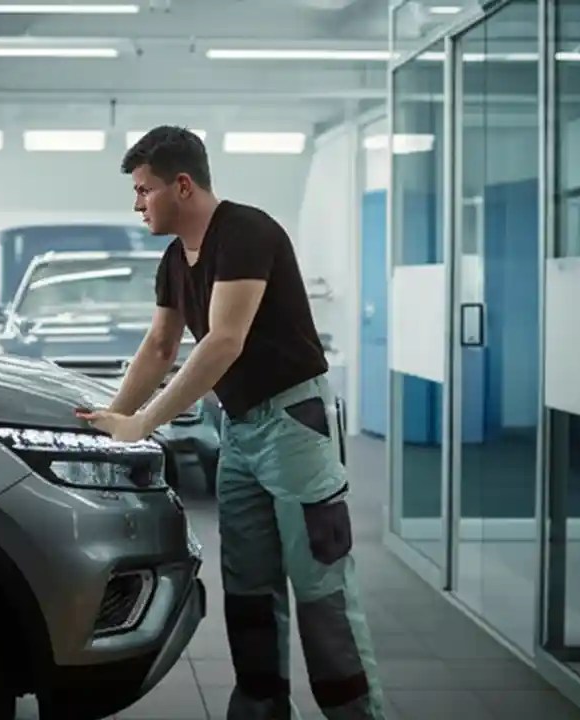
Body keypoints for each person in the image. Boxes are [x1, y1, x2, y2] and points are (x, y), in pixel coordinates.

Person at [76, 126, 388, 720]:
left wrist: (142, 423)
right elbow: (160, 345)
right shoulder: (174, 259)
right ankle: (261, 710)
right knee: (248, 586)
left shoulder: (246, 232)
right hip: (240, 430)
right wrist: (115, 413)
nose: (137, 203)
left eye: (144, 190)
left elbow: (223, 342)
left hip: (294, 423)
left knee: (322, 587)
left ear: (182, 186)